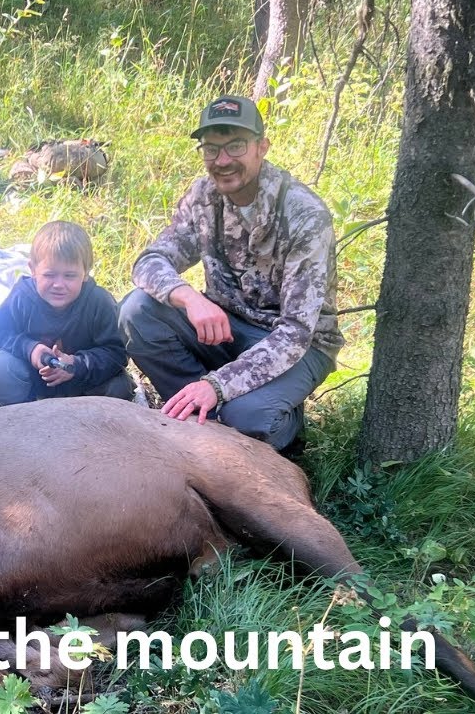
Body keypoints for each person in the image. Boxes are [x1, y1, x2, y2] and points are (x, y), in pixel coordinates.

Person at [118, 95, 343, 451]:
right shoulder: (203, 196)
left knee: (249, 419)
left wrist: (219, 385)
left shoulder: (303, 214)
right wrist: (188, 296)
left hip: (297, 344)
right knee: (136, 311)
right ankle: (198, 414)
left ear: (261, 147)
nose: (222, 161)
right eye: (211, 149)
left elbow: (297, 332)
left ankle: (277, 422)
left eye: (235, 146)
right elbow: (149, 261)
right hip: (226, 326)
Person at [0, 220, 135, 405]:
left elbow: (117, 353)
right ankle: (25, 413)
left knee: (119, 387)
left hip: (81, 382)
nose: (58, 285)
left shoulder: (99, 301)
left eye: (69, 276)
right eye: (49, 275)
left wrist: (77, 364)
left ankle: (85, 418)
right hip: (35, 381)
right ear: (33, 270)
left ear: (85, 273)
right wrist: (30, 349)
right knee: (1, 370)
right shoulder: (22, 296)